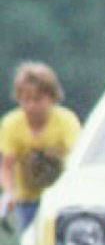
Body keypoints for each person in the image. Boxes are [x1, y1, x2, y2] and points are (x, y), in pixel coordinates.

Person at [0, 62, 81, 231]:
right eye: (25, 100)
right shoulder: (11, 124)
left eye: (37, 99)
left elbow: (77, 159)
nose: (31, 106)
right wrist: (9, 193)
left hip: (62, 198)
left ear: (52, 97)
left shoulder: (66, 121)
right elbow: (7, 166)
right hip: (27, 199)